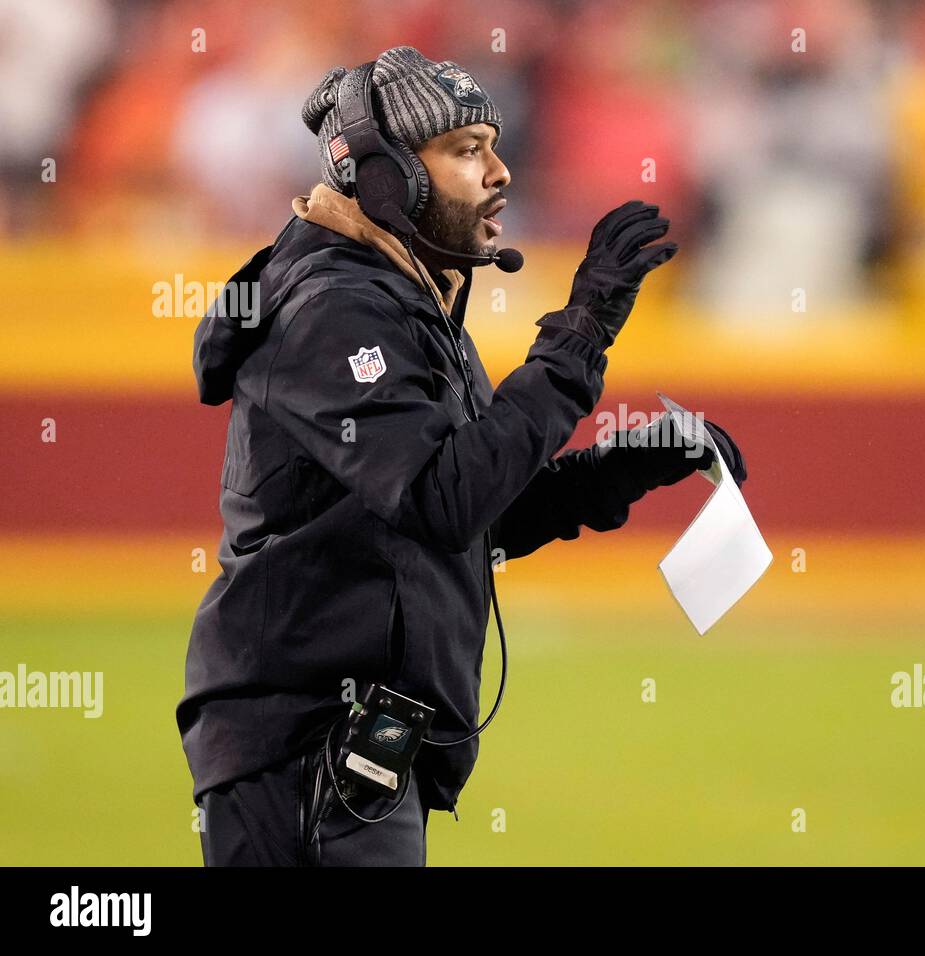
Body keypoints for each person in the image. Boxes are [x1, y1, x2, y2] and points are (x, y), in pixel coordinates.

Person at [177, 45, 747, 866]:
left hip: (350, 753)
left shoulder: (407, 300)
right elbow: (440, 501)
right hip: (303, 747)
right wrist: (580, 333)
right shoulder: (334, 309)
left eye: (493, 144)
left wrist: (631, 463)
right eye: (466, 149)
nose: (500, 171)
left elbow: (482, 507)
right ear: (387, 179)